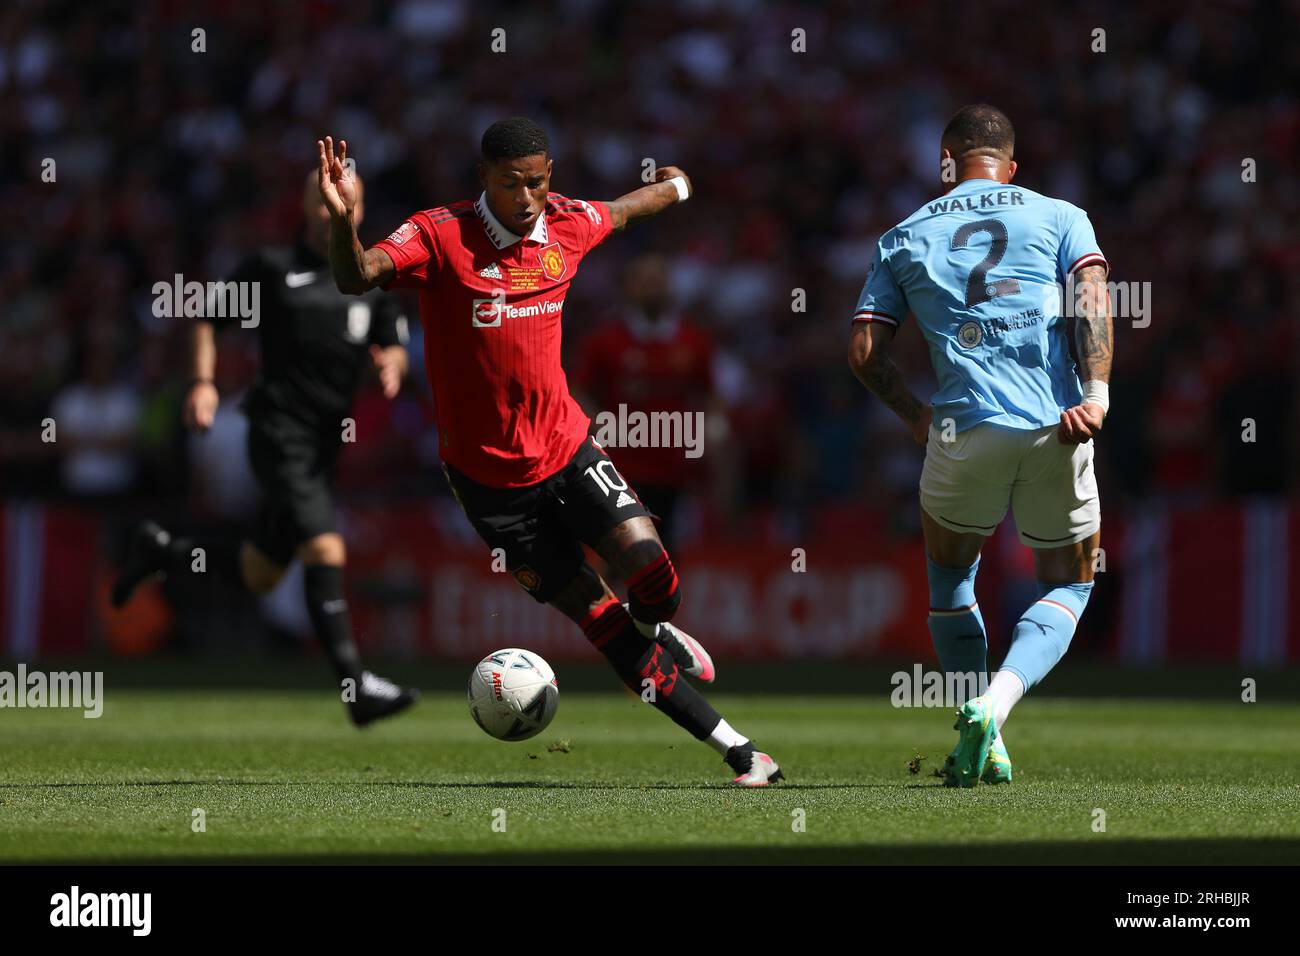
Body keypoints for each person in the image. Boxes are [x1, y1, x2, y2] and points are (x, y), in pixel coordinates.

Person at [319, 118, 782, 785]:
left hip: (567, 451)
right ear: (484, 180)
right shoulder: (437, 235)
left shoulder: (567, 224)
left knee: (656, 580)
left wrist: (677, 188)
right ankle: (743, 753)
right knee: (605, 627)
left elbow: (625, 210)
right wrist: (343, 221)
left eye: (537, 181)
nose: (527, 196)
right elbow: (356, 276)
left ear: (550, 175)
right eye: (511, 184)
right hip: (491, 488)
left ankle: (657, 633)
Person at [847, 104, 1112, 787]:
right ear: (1011, 165)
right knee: (1071, 582)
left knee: (949, 581)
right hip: (1058, 422)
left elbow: (865, 351)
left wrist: (913, 416)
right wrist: (1097, 394)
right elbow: (1091, 296)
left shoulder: (901, 236)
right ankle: (995, 706)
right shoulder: (1059, 215)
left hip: (960, 432)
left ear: (946, 162)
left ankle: (975, 721)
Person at [113, 170, 418, 727]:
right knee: (325, 549)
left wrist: (393, 361)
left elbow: (393, 338)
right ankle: (355, 686)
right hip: (279, 431)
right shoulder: (272, 269)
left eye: (344, 200)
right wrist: (204, 382)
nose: (332, 209)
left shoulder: (371, 279)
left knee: (260, 572)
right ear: (304, 206)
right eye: (321, 201)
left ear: (361, 208)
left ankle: (160, 552)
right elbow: (208, 316)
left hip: (323, 446)